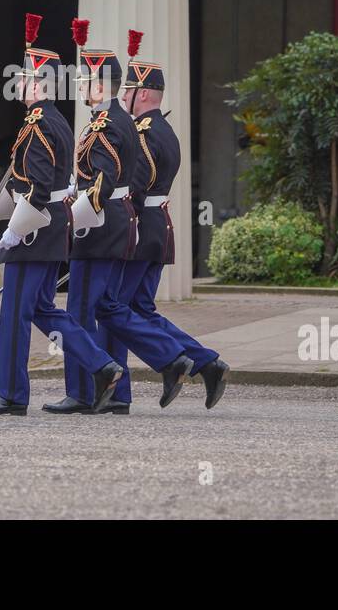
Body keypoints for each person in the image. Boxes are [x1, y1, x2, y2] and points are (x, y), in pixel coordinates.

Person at [0, 13, 124, 416]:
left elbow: (36, 189)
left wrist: (14, 232)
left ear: (38, 83)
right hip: (48, 229)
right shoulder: (50, 120)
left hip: (35, 232)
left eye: (23, 78)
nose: (18, 85)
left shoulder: (39, 125)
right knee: (42, 309)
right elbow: (27, 185)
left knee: (16, 313)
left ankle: (13, 395)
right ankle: (101, 365)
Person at [43, 20, 192, 415]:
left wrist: (71, 216)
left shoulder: (107, 122)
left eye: (84, 81)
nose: (79, 87)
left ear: (98, 85)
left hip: (100, 226)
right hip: (114, 224)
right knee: (107, 307)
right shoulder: (116, 120)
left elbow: (106, 181)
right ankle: (124, 389)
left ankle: (83, 391)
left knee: (80, 312)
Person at [109, 28, 229, 411]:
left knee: (114, 308)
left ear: (142, 93)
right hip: (160, 228)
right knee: (141, 309)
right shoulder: (165, 129)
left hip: (141, 230)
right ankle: (207, 363)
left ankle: (169, 362)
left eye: (127, 91)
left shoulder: (142, 133)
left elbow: (136, 185)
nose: (122, 97)